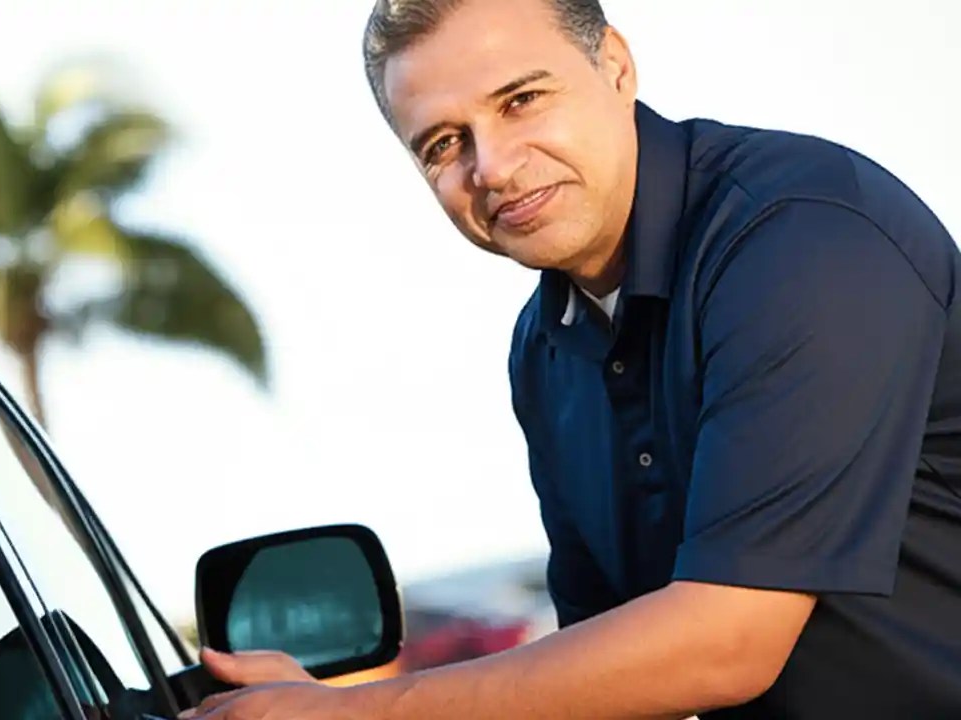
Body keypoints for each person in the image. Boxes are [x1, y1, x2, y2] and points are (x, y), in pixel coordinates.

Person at [179, 0, 961, 717]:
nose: (491, 166)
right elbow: (601, 675)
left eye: (521, 100)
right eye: (443, 145)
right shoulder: (544, 348)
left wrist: (353, 713)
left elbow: (729, 640)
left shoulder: (801, 238)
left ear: (615, 66)